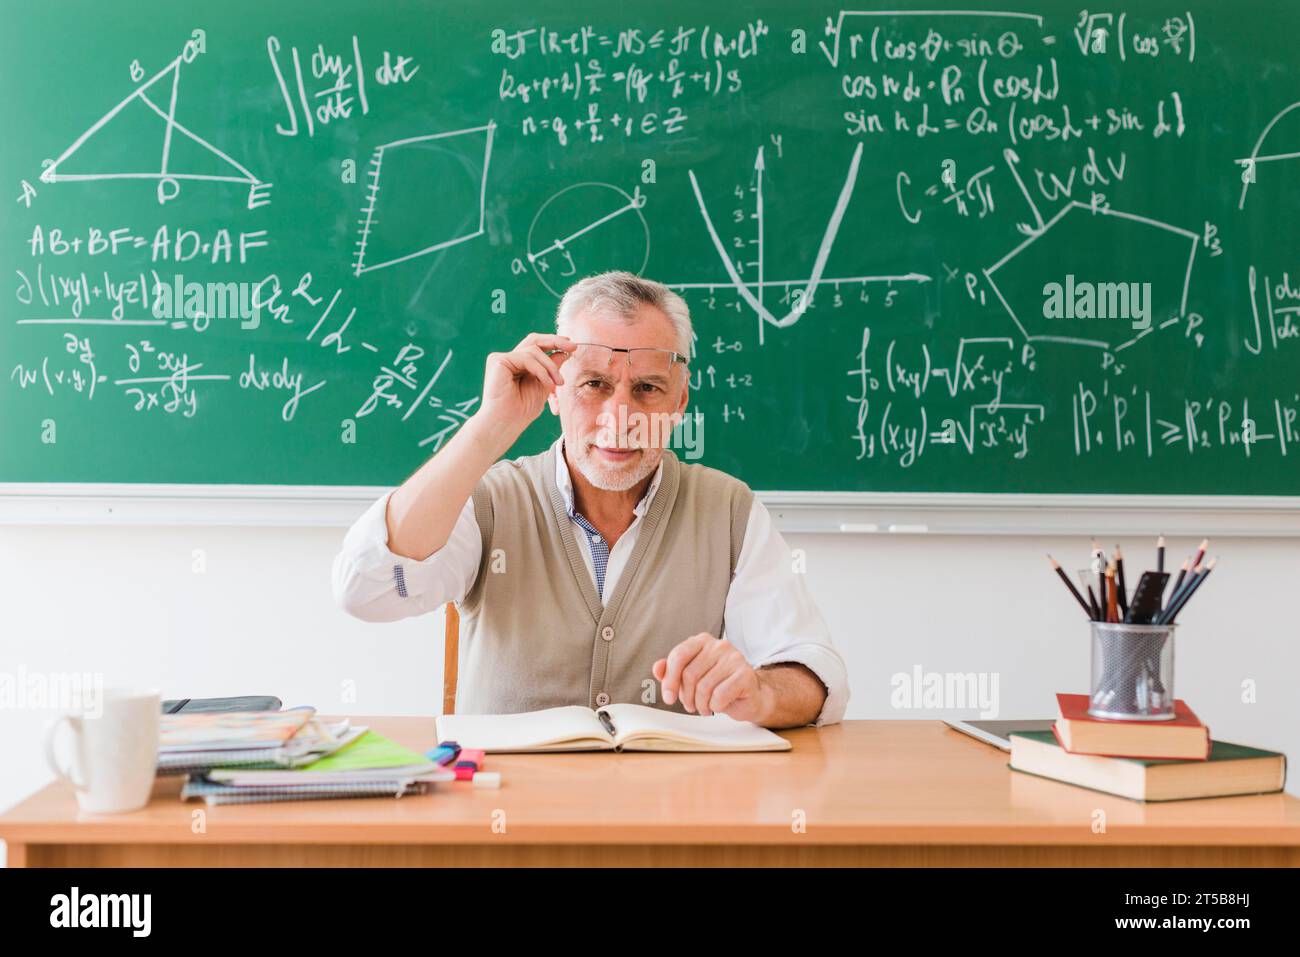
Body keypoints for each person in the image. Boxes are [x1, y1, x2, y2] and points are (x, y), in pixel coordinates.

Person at [333, 271, 849, 728]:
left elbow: (813, 674)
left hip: (667, 816)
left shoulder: (728, 511)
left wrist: (758, 694)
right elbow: (366, 591)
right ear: (552, 389)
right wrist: (492, 426)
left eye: (648, 388)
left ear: (681, 401)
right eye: (594, 384)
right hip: (505, 816)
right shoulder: (487, 500)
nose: (620, 415)